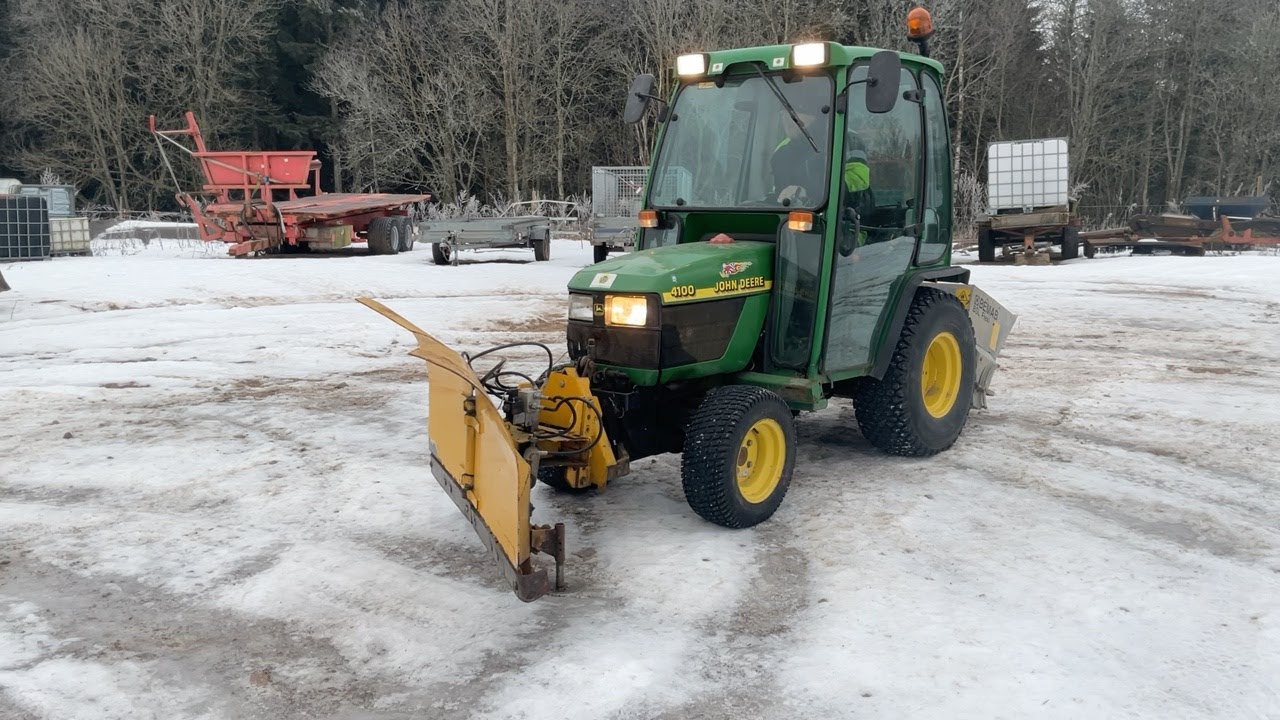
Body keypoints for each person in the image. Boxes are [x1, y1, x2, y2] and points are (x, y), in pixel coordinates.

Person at [770, 110, 825, 204]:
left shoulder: (845, 141)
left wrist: (810, 194)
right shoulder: (781, 152)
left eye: (794, 111)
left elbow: (855, 185)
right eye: (783, 113)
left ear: (814, 117)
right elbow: (778, 192)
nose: (787, 118)